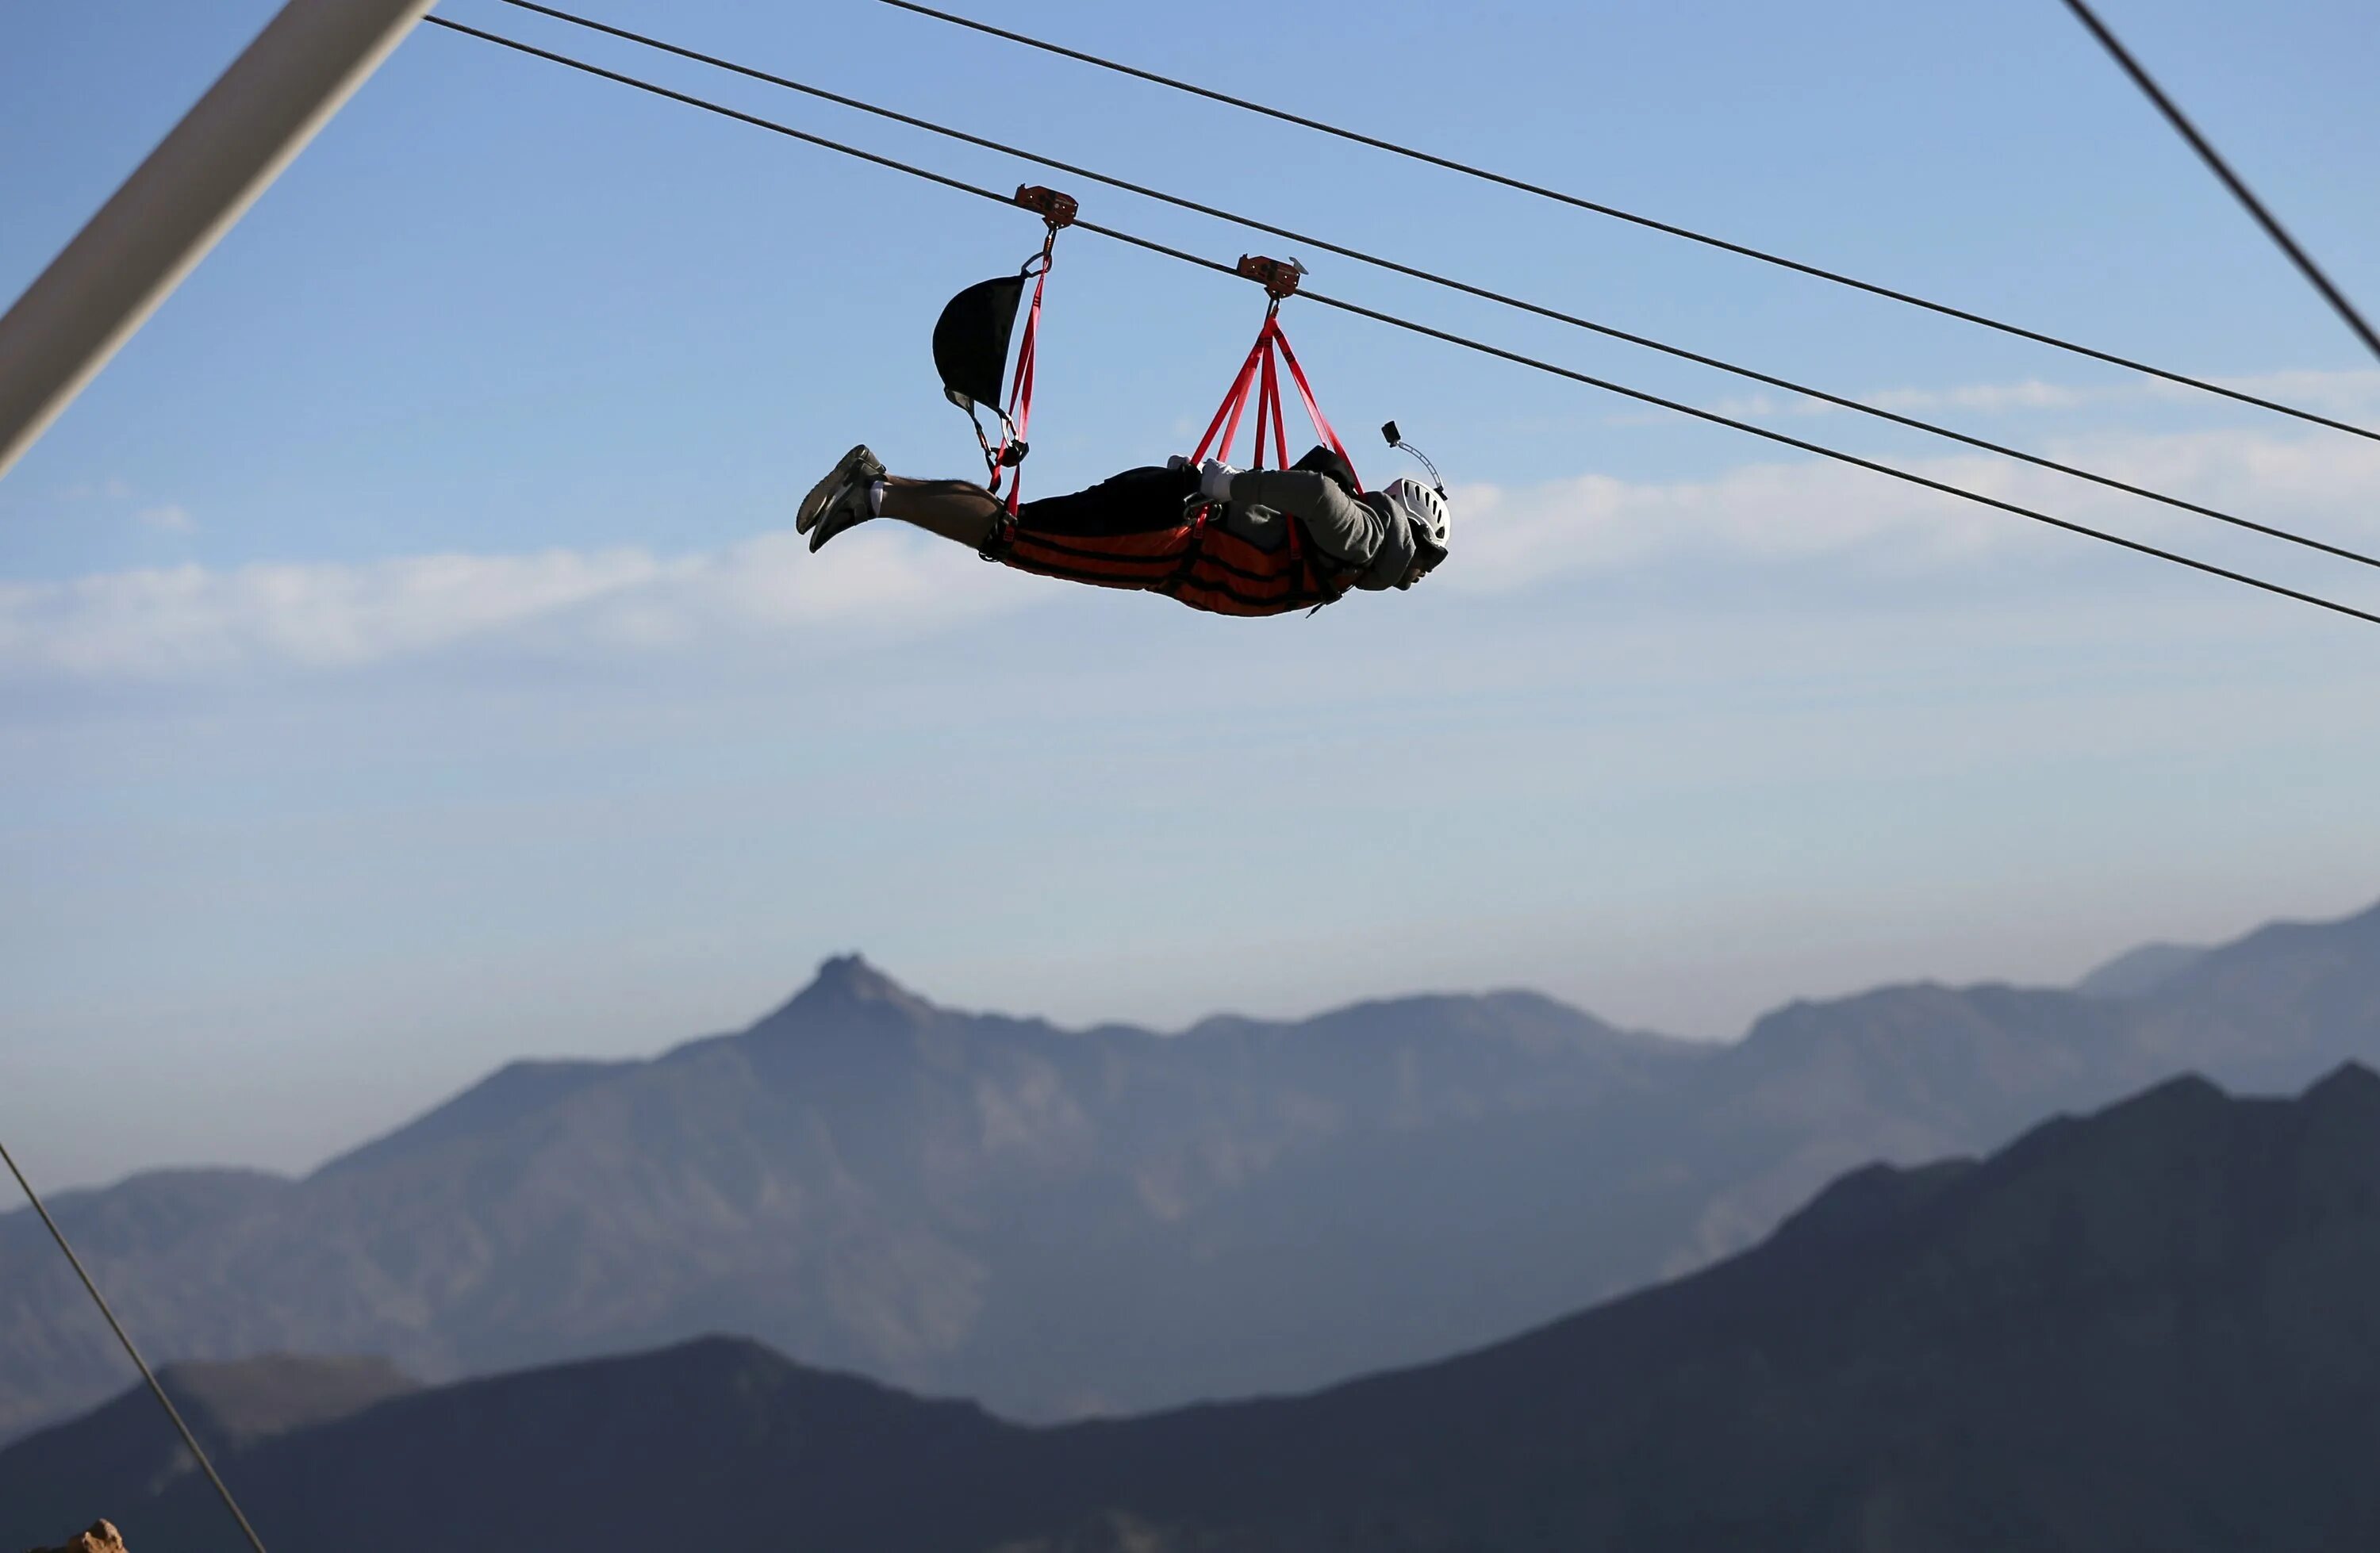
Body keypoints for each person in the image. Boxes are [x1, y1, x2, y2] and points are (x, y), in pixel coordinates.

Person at [794, 443, 1450, 617]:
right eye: (1427, 562)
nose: (1417, 578)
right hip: (1163, 538)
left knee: (1016, 529)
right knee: (1012, 538)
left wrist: (1219, 488)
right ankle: (874, 494)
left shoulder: (1352, 556)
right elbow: (1313, 492)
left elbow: (1297, 506)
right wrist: (1227, 487)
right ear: (1412, 532)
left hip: (1168, 523)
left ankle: (878, 486)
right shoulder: (1368, 541)